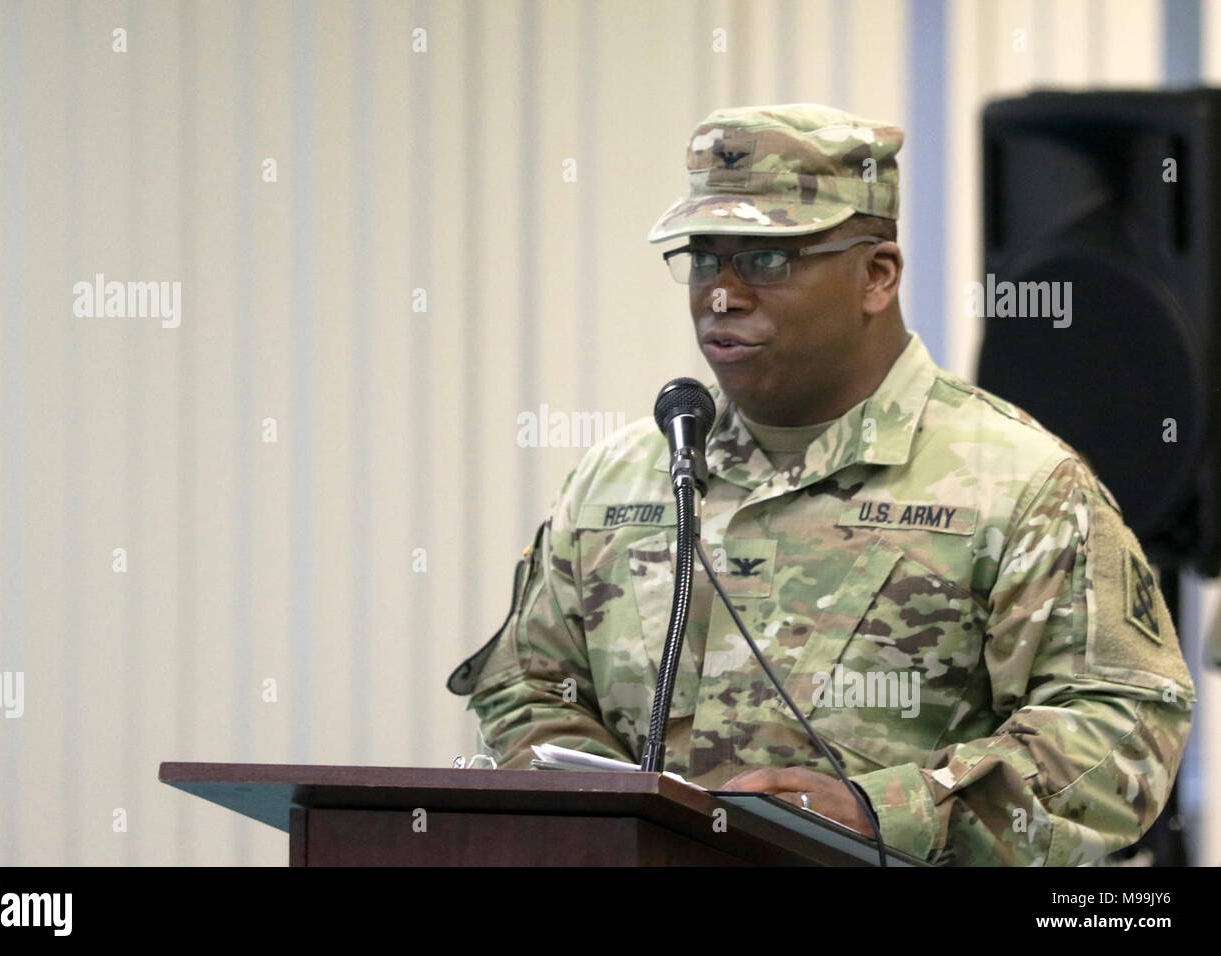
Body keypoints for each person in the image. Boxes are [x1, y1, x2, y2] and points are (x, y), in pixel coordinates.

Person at [447, 103, 1194, 865]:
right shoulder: (622, 477)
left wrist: (890, 812)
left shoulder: (1022, 485)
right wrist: (615, 816)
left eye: (767, 259)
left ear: (877, 276)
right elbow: (525, 685)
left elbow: (1125, 731)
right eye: (704, 258)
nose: (722, 294)